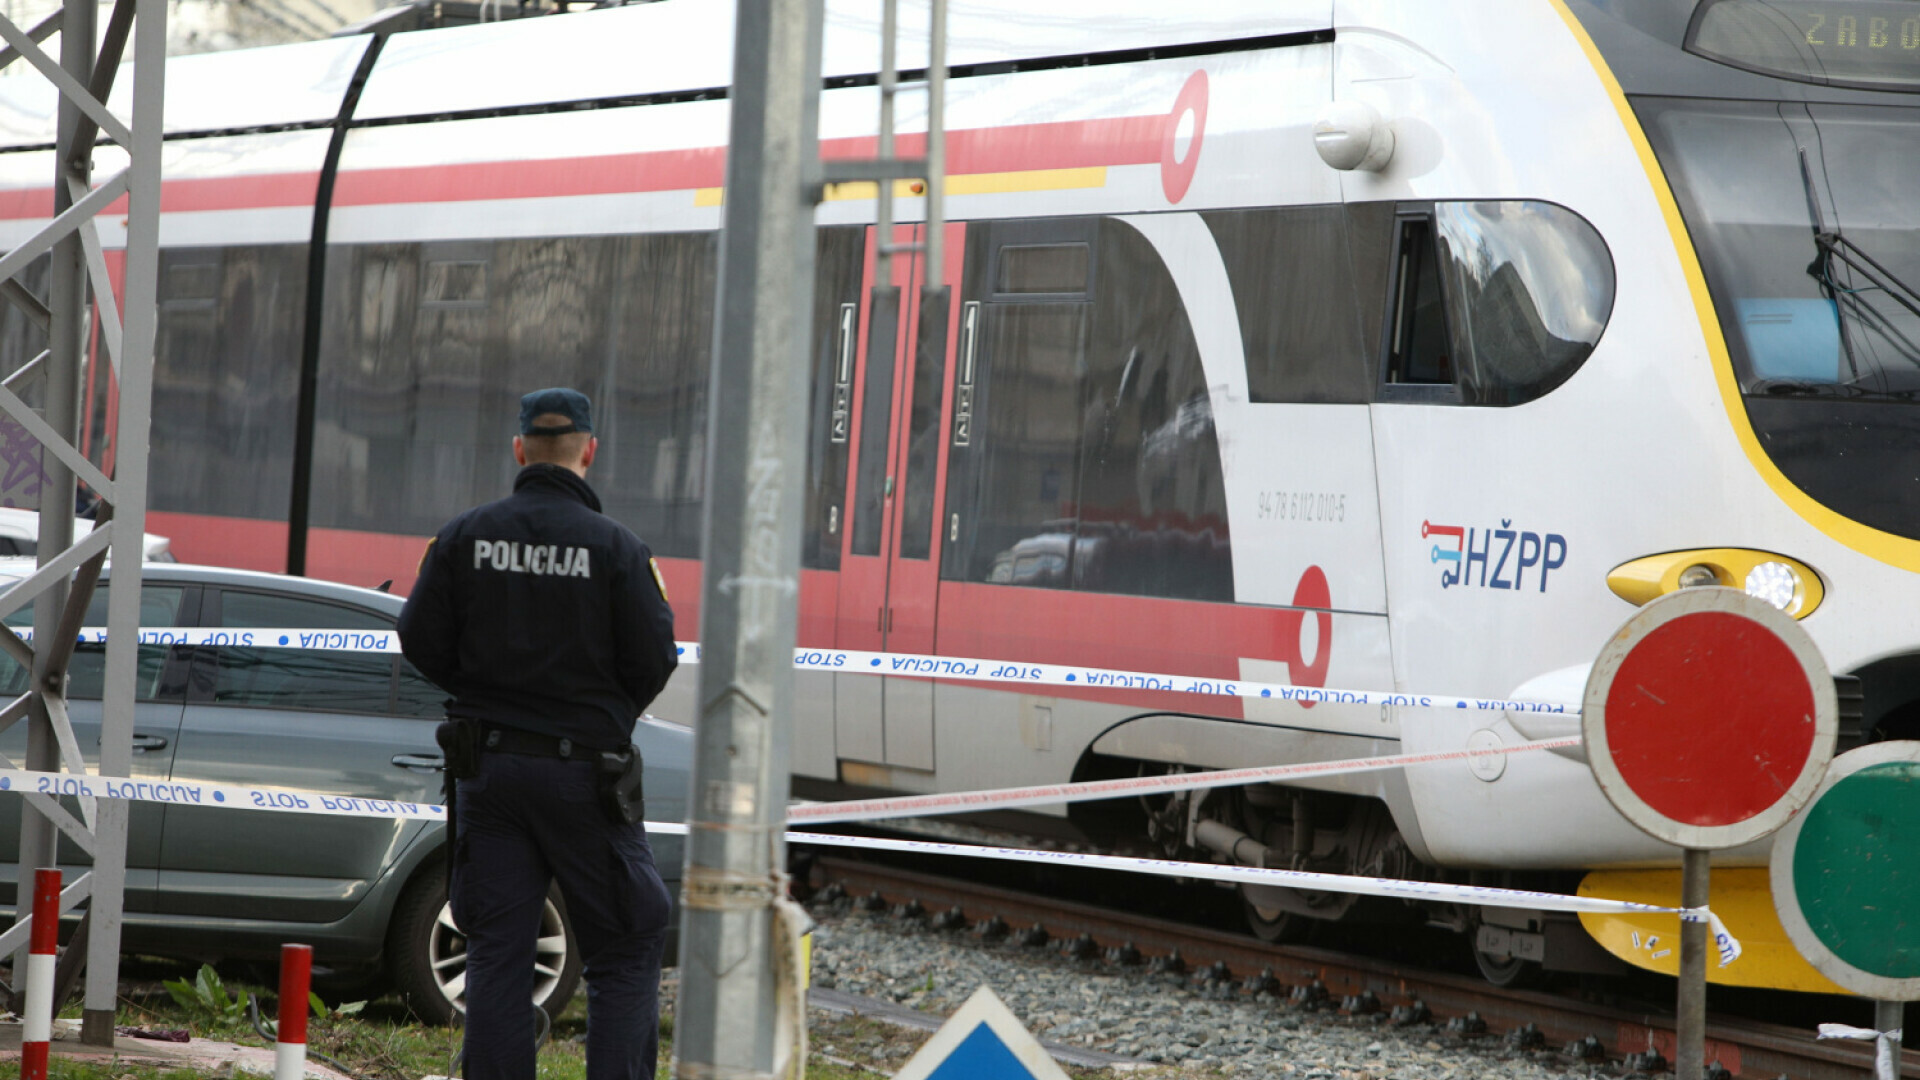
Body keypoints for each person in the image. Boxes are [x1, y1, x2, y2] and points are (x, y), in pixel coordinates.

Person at [398, 387, 677, 1080]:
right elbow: (655, 657)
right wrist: (602, 713)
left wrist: (481, 692)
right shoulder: (618, 549)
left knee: (498, 951)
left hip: (490, 774)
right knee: (625, 944)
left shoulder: (464, 537)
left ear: (520, 450)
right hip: (586, 776)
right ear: (589, 450)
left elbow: (418, 637)